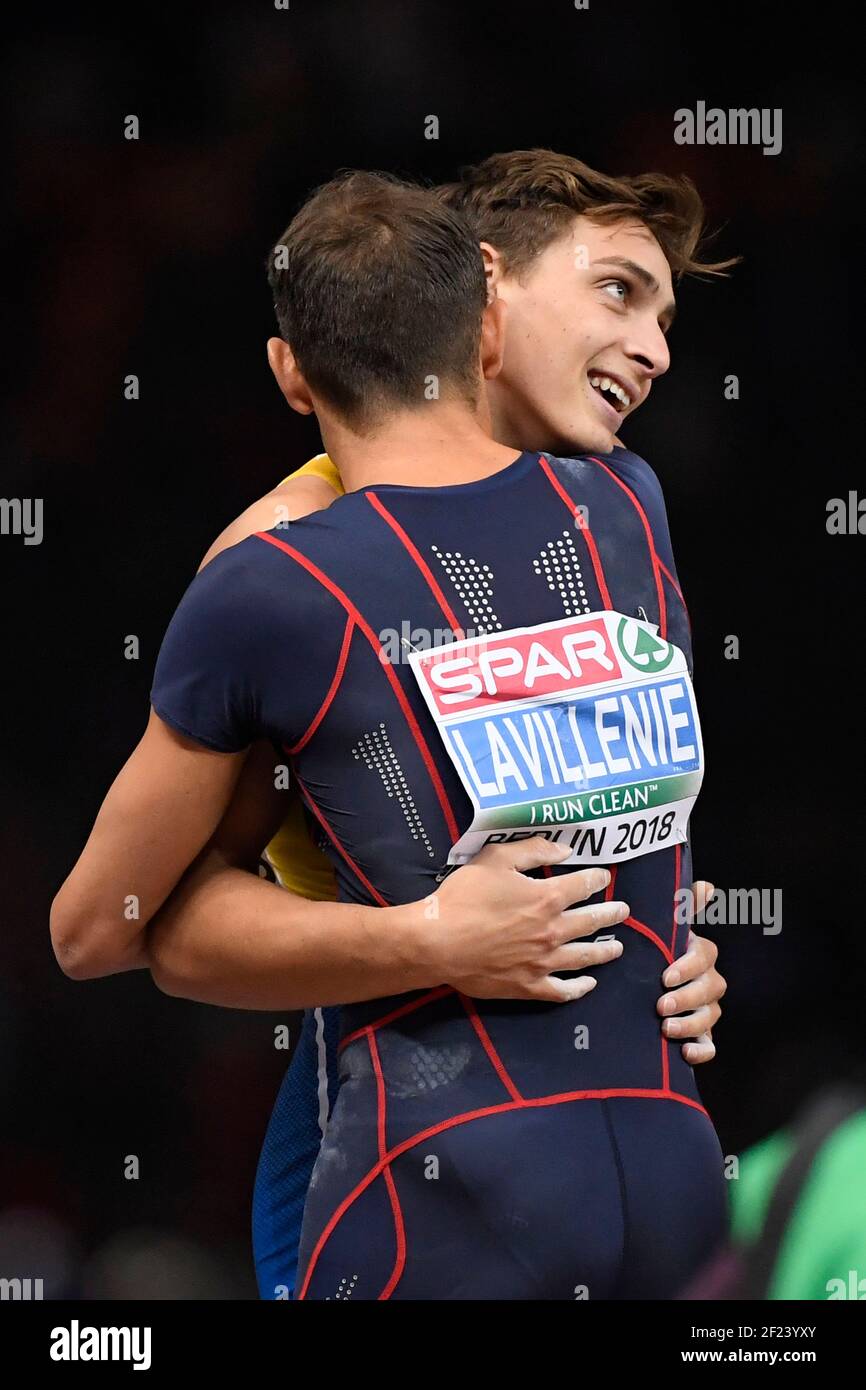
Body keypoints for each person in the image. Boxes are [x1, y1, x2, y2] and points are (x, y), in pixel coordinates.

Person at [53, 167, 732, 1297]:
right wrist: (431, 937)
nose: (651, 348)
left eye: (662, 317)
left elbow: (606, 812)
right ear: (486, 304)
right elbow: (132, 917)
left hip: (572, 1133)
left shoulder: (619, 506)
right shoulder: (279, 555)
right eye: (616, 294)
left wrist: (667, 930)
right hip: (386, 1116)